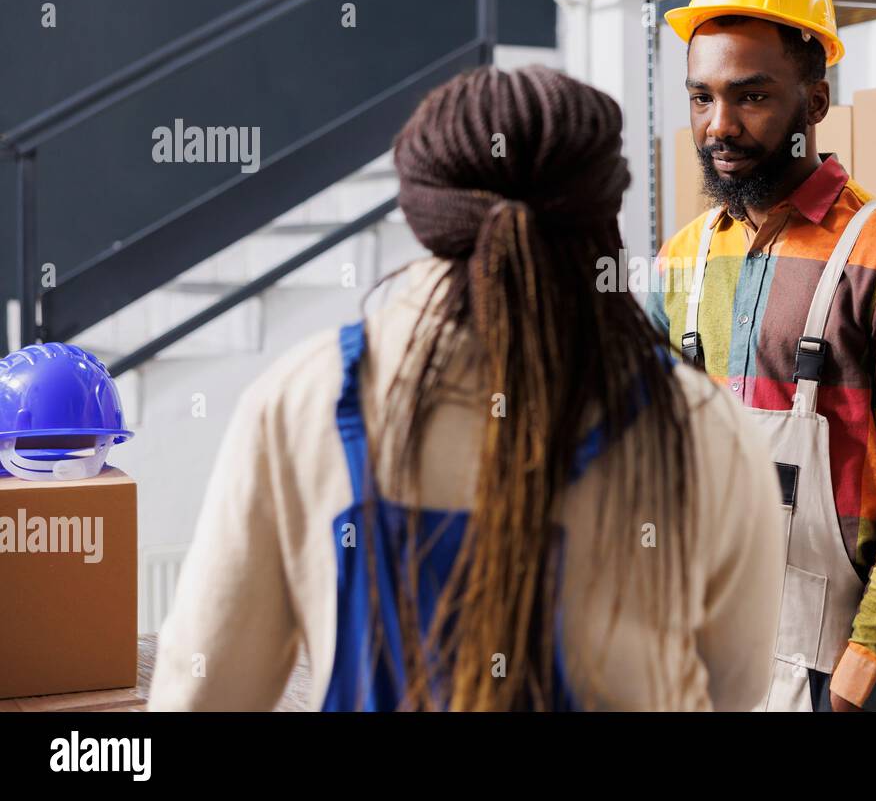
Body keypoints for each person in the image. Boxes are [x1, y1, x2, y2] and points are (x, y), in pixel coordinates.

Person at [149, 65, 785, 711]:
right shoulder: (704, 428)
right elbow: (734, 690)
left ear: (422, 210)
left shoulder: (296, 405)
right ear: (601, 207)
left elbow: (201, 692)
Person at [649, 0, 876, 712]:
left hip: (825, 669)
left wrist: (867, 678)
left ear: (815, 103)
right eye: (701, 98)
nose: (718, 126)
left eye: (751, 98)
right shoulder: (680, 262)